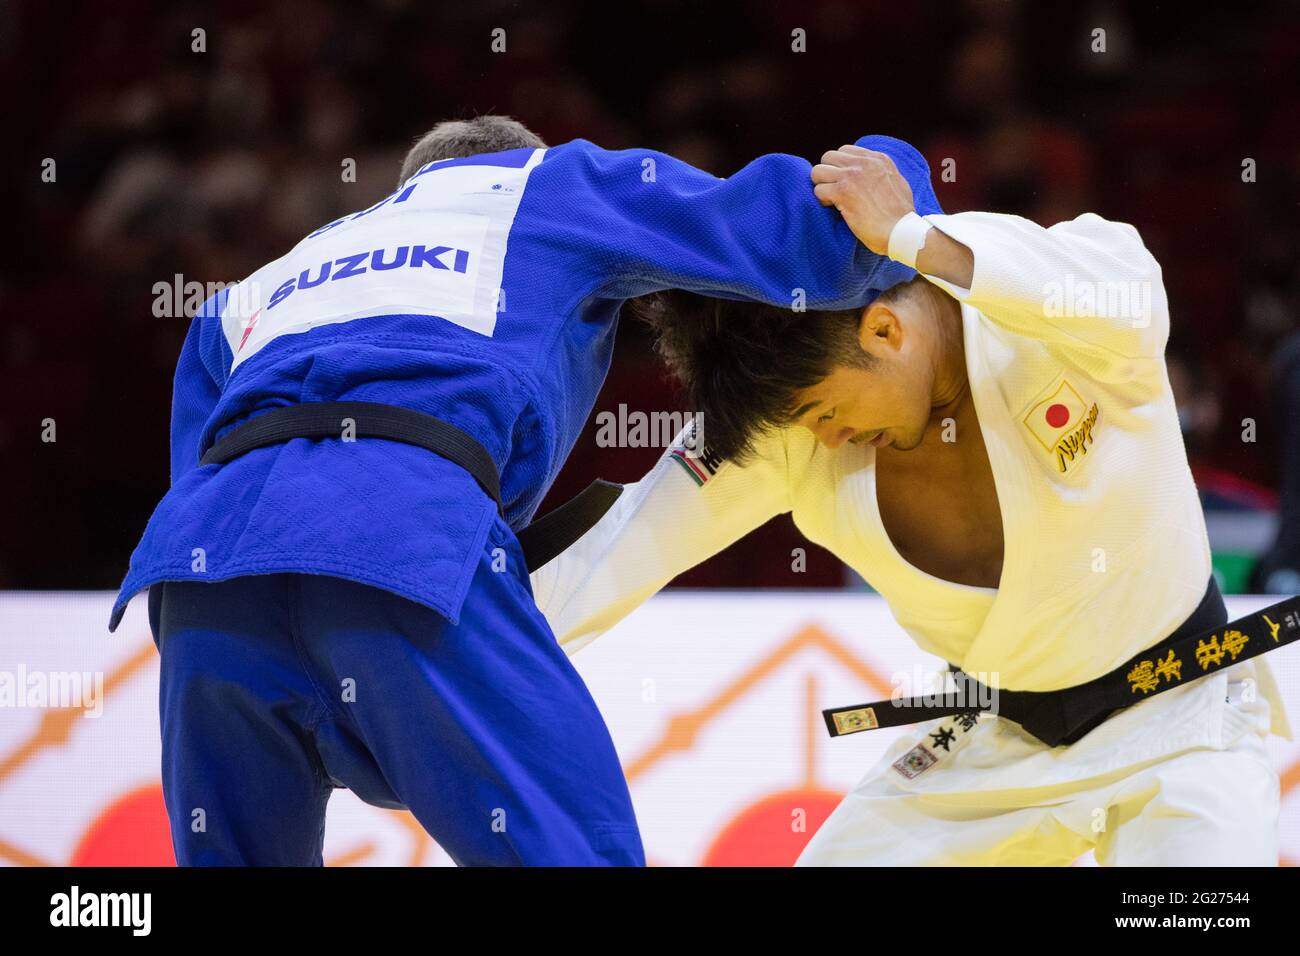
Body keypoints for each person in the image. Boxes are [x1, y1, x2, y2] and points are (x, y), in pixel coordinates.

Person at [110, 117, 941, 865]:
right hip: (400, 527)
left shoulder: (260, 284)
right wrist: (898, 187)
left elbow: (199, 462)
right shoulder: (547, 185)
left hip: (201, 573)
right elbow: (805, 240)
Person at [530, 145, 1293, 865]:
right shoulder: (786, 423)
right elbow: (613, 556)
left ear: (886, 328)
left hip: (1182, 720)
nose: (824, 443)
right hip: (992, 739)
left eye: (823, 412)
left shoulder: (1039, 306)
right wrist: (436, 665)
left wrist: (913, 238)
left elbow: (1128, 286)